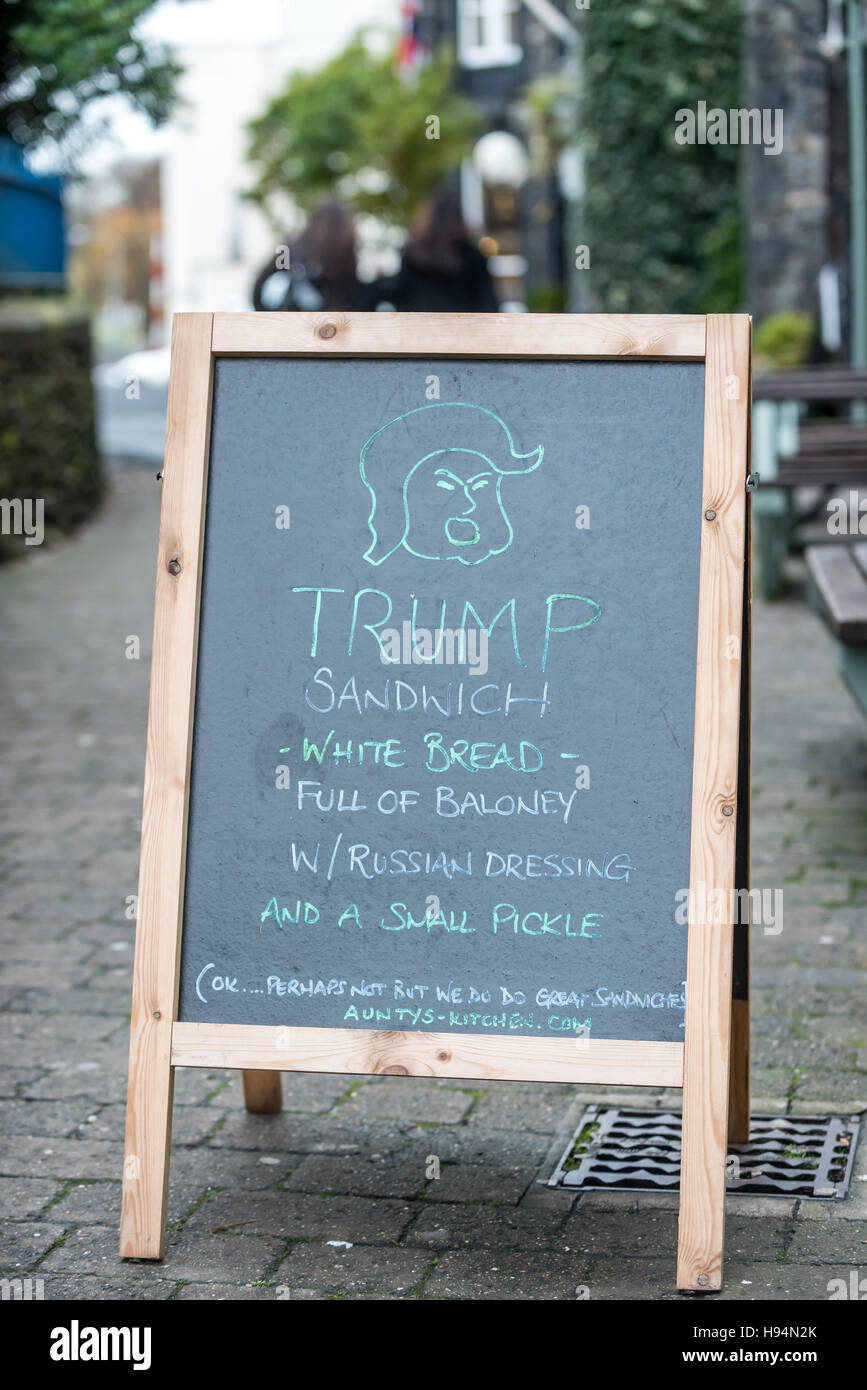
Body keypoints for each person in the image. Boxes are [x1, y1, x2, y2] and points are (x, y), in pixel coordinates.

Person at [362, 190, 498, 313]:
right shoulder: (473, 256)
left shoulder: (414, 254)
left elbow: (396, 292)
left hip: (420, 332)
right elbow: (488, 303)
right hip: (464, 333)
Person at [251, 200, 361, 312]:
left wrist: (265, 314)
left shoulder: (293, 248)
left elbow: (259, 283)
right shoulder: (294, 250)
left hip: (298, 319)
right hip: (330, 322)